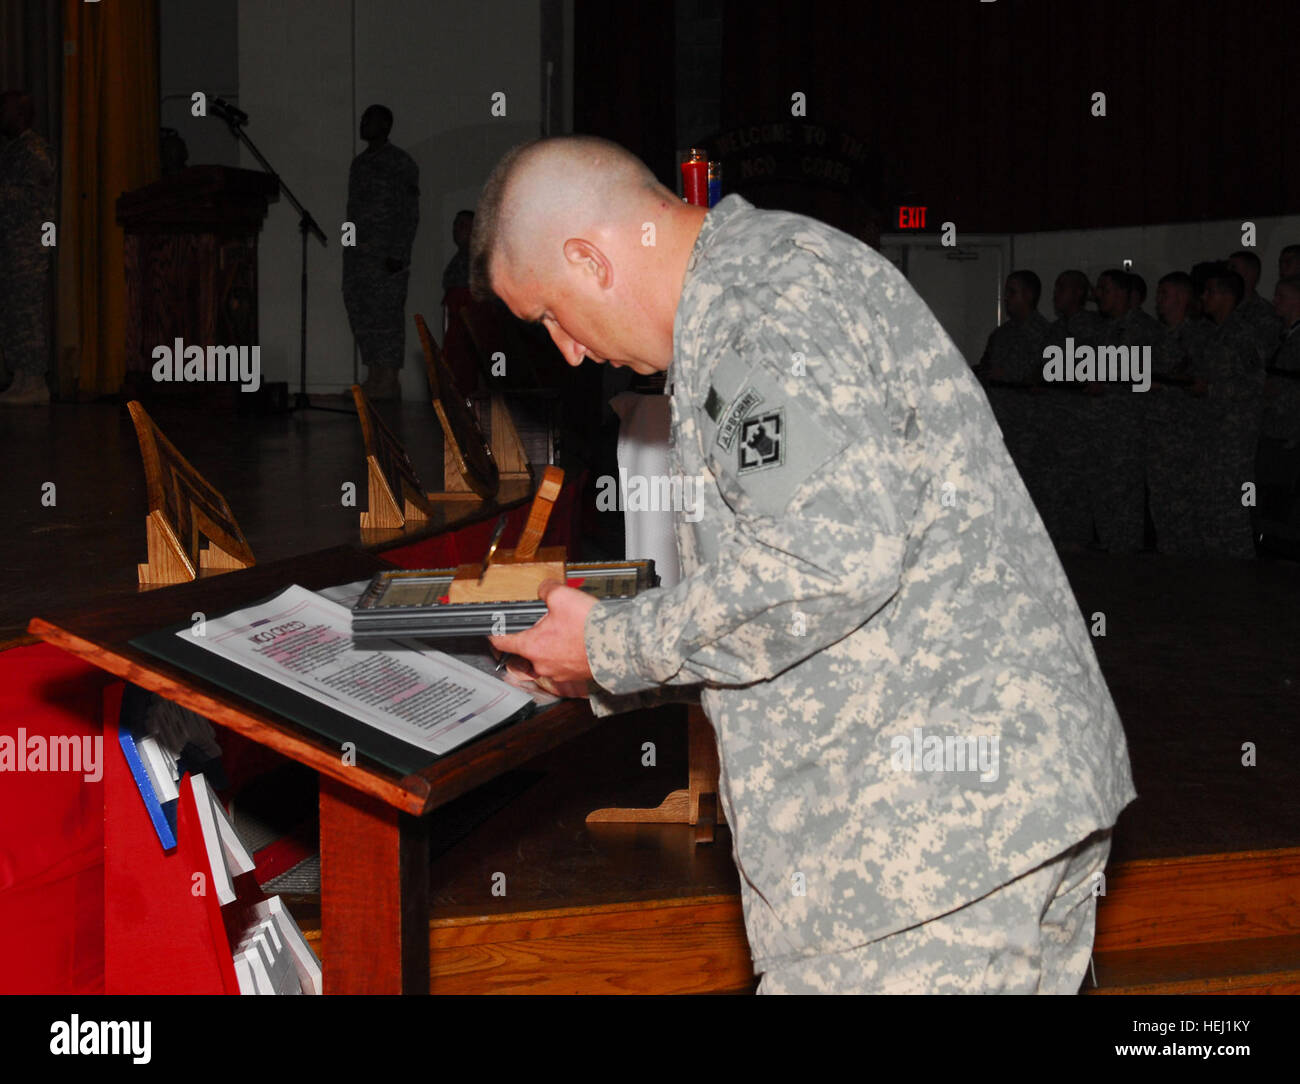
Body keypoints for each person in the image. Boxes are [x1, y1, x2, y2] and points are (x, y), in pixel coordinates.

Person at [472, 136, 1135, 994]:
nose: (566, 349)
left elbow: (826, 561)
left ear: (590, 259)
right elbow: (813, 585)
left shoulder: (751, 317)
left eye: (550, 316)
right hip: (991, 813)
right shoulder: (773, 272)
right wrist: (595, 668)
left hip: (921, 862)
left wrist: (613, 647)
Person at [342, 104, 419, 400]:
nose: (363, 124)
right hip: (358, 257)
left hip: (387, 256)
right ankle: (374, 375)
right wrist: (349, 249)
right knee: (361, 313)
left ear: (385, 125)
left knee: (386, 316)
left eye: (369, 120)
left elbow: (410, 211)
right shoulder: (359, 164)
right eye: (362, 119)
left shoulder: (400, 163)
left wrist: (399, 253)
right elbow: (353, 211)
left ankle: (388, 379)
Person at [1085, 269, 1160, 553]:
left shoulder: (1144, 330)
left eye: (1104, 289)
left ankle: (1127, 570)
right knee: (1104, 507)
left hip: (1127, 434)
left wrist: (1109, 384)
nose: (1097, 296)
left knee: (1126, 509)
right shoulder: (1104, 329)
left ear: (1124, 294)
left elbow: (1151, 382)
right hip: (1102, 432)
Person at [1195, 270, 1264, 558]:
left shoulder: (1242, 333)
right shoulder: (1215, 334)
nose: (1204, 298)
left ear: (1227, 296)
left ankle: (1240, 572)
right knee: (1212, 507)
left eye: (1210, 291)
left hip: (1234, 438)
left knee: (1233, 509)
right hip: (1213, 434)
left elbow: (1256, 384)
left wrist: (1211, 389)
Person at [1038, 270, 1107, 547]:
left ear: (1079, 292)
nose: (1056, 294)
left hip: (1083, 429)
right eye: (1055, 288)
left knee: (1080, 501)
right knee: (1055, 498)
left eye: (1062, 288)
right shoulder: (1054, 330)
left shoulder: (1095, 327)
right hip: (1055, 427)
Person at [1145, 272, 1212, 555]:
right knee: (1162, 511)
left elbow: (1201, 383)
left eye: (1165, 294)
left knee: (1186, 512)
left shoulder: (1199, 336)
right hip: (1158, 438)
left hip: (1185, 440)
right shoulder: (1157, 337)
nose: (1158, 300)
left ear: (1183, 298)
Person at [0, 90, 55, 406]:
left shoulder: (33, 151)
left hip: (28, 246)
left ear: (20, 114)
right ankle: (21, 377)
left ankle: (35, 381)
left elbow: (34, 196)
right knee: (14, 313)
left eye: (4, 110)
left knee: (28, 312)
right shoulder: (13, 150)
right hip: (13, 245)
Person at [1226, 250, 1283, 366]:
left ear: (1250, 273)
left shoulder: (1265, 312)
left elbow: (1264, 356)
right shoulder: (1222, 307)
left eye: (1234, 268)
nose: (1228, 273)